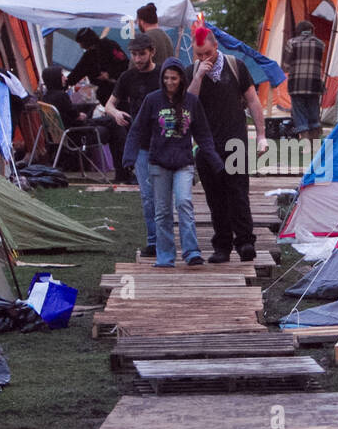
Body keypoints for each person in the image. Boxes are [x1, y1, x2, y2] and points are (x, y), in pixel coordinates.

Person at [123, 57, 223, 268]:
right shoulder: (152, 100)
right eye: (166, 78)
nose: (170, 82)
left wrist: (214, 160)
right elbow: (137, 129)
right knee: (162, 211)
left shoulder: (191, 102)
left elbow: (203, 134)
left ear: (181, 80)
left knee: (184, 203)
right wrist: (129, 158)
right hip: (158, 163)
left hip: (184, 163)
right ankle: (165, 256)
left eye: (174, 78)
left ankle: (192, 252)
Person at [187, 26, 269, 263]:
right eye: (198, 55)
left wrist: (261, 134)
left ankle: (245, 241)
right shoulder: (192, 71)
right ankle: (222, 245)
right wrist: (199, 75)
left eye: (207, 54)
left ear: (216, 47)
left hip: (235, 140)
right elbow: (189, 103)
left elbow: (253, 101)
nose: (203, 59)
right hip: (206, 144)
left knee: (238, 192)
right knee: (214, 196)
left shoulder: (235, 67)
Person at [104, 34, 162, 251]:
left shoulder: (162, 75)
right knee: (147, 195)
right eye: (134, 54)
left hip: (164, 142)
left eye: (142, 54)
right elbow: (109, 105)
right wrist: (116, 113)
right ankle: (153, 241)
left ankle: (166, 238)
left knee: (164, 195)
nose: (138, 59)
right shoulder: (127, 77)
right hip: (140, 143)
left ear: (152, 52)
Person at [282, 19, 327, 143]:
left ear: (298, 31)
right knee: (313, 110)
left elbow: (286, 64)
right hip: (314, 85)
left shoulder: (292, 43)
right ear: (312, 30)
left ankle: (305, 141)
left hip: (297, 84)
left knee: (299, 111)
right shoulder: (320, 44)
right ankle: (315, 141)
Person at [67, 27, 128, 107]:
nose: (80, 46)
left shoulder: (109, 45)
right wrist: (66, 82)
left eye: (80, 43)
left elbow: (124, 62)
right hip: (104, 93)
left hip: (120, 88)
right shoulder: (88, 56)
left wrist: (109, 74)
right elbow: (77, 72)